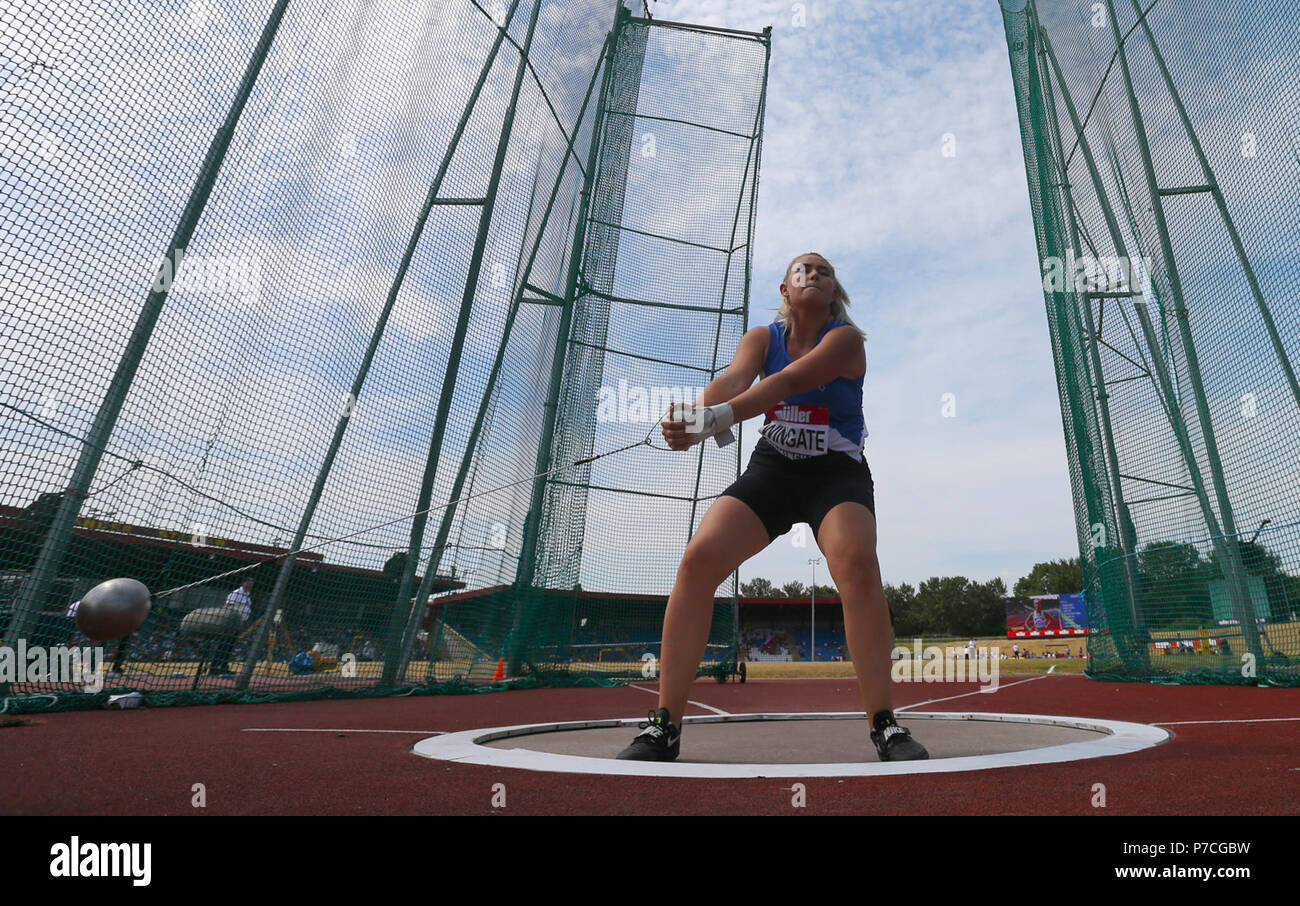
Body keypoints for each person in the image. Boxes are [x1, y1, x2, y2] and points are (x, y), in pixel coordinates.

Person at [617, 253, 928, 762]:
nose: (813, 274)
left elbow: (784, 384)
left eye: (823, 271)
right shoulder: (763, 337)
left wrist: (713, 420)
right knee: (697, 562)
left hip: (835, 473)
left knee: (855, 562)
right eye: (802, 270)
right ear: (785, 289)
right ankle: (664, 725)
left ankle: (885, 725)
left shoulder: (845, 339)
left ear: (834, 292)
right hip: (774, 469)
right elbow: (736, 378)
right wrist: (696, 412)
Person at [209, 578, 254, 676]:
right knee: (224, 645)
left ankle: (223, 667)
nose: (250, 584)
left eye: (251, 582)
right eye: (248, 581)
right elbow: (228, 605)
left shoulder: (247, 596)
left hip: (238, 623)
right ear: (243, 582)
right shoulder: (236, 593)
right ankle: (214, 668)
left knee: (229, 647)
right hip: (231, 622)